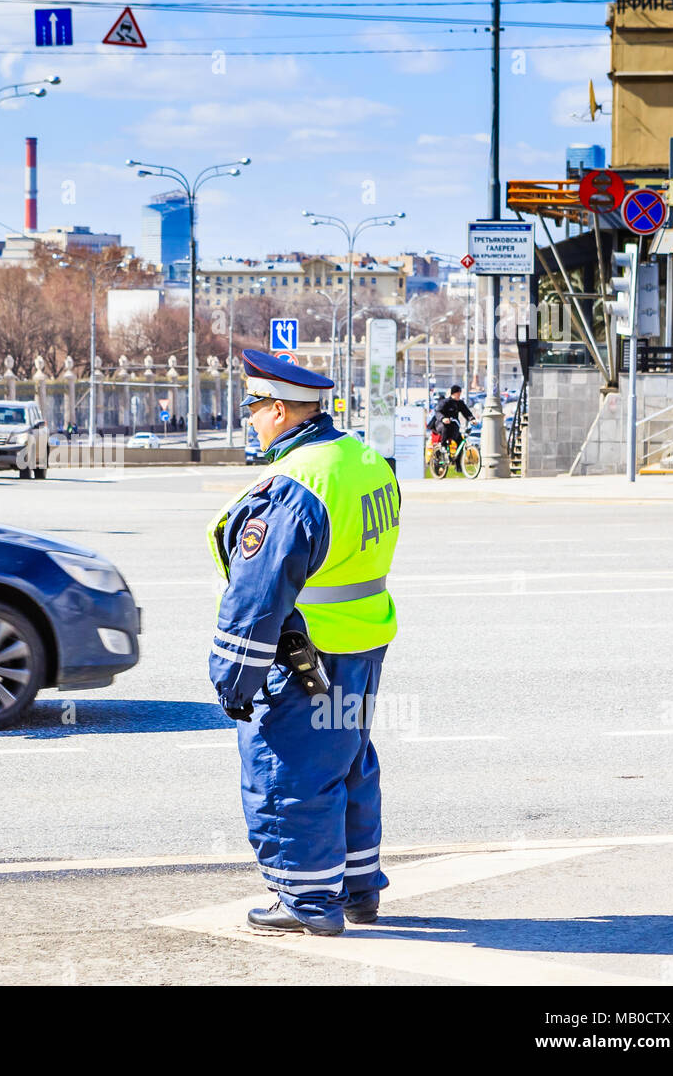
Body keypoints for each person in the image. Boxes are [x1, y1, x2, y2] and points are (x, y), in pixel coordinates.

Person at [206, 350, 402, 936]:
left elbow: (256, 597)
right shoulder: (363, 459)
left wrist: (232, 679)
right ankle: (358, 890)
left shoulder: (295, 486)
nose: (249, 420)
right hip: (364, 647)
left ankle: (306, 900)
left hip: (305, 658)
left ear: (280, 409)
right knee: (348, 767)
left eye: (253, 407)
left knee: (289, 774)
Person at [433, 385, 475, 451]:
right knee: (445, 427)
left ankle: (458, 460)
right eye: (458, 394)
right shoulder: (445, 402)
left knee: (461, 444)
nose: (459, 395)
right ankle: (443, 446)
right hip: (441, 425)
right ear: (453, 393)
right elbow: (438, 411)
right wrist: (443, 418)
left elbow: (466, 412)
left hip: (454, 426)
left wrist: (471, 419)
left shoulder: (460, 403)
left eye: (460, 394)